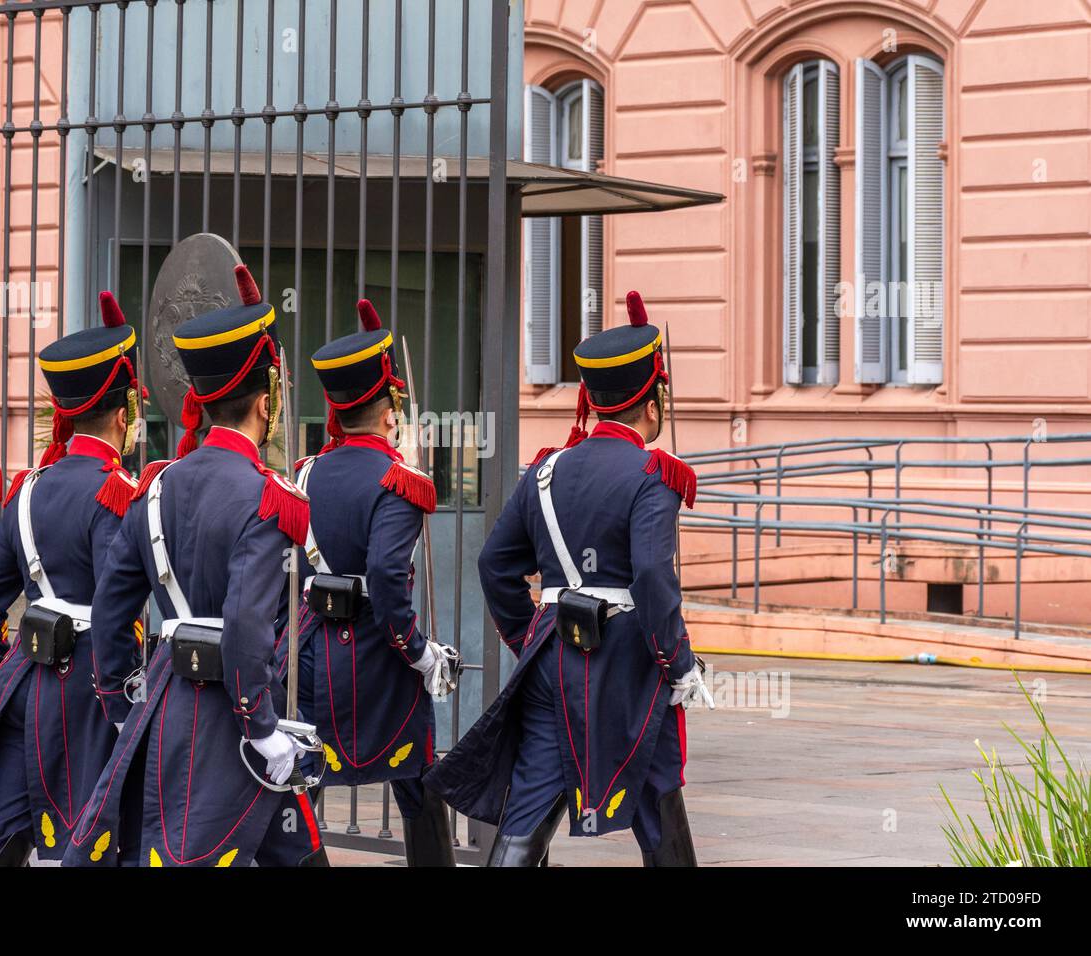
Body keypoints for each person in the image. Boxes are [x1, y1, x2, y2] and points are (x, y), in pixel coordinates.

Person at [424, 291, 708, 867]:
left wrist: (527, 632)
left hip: (554, 654)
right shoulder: (655, 475)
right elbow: (653, 577)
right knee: (654, 790)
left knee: (530, 805)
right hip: (629, 664)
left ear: (594, 399)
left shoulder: (546, 471)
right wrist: (678, 663)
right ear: (650, 401)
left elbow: (494, 565)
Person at [62, 263, 326, 868]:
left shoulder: (154, 487)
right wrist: (260, 726)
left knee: (295, 851)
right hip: (233, 720)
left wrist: (119, 699)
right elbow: (246, 627)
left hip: (166, 700)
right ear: (268, 403)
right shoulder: (267, 497)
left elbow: (111, 610)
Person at [0, 291, 142, 866]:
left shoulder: (27, 488)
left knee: (6, 828)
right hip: (91, 689)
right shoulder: (117, 493)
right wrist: (121, 689)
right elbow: (115, 607)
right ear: (123, 415)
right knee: (92, 833)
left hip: (24, 682)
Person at [291, 298, 459, 866]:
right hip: (380, 662)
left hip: (316, 652)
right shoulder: (399, 480)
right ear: (390, 411)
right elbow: (389, 582)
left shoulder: (307, 473)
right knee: (419, 779)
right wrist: (419, 653)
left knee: (306, 779)